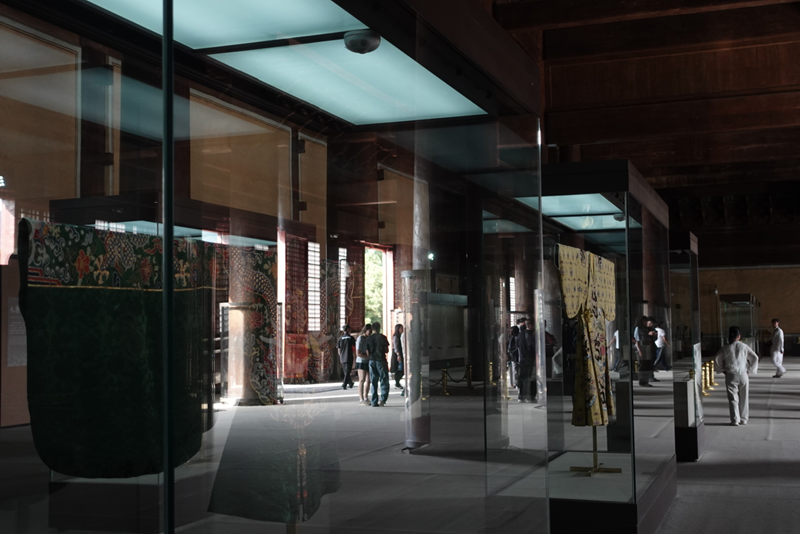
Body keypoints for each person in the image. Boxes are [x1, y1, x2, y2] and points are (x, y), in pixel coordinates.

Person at [714, 326, 759, 426]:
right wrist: (750, 370)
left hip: (730, 375)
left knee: (733, 398)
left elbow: (717, 359)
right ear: (739, 336)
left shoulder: (726, 347)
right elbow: (755, 357)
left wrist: (722, 370)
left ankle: (735, 420)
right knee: (744, 397)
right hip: (743, 374)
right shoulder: (744, 346)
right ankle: (744, 419)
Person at [366, 321, 390, 407]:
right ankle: (383, 400)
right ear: (379, 328)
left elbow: (367, 353)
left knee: (374, 381)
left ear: (372, 329)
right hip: (381, 360)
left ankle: (374, 401)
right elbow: (387, 350)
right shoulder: (383, 338)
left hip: (372, 361)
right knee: (384, 380)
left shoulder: (369, 338)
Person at [634, 316, 657, 386]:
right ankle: (642, 381)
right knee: (642, 365)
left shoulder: (646, 328)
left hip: (648, 347)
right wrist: (640, 350)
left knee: (647, 365)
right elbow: (637, 340)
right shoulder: (638, 329)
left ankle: (646, 381)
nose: (645, 322)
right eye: (644, 321)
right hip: (642, 347)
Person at [518, 317, 536, 402]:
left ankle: (521, 396)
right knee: (528, 378)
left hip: (521, 358)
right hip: (528, 358)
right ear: (531, 325)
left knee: (522, 377)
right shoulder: (529, 335)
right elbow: (531, 346)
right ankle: (528, 396)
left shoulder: (521, 334)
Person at [355, 324, 373, 405]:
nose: (370, 332)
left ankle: (366, 397)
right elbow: (358, 353)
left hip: (368, 361)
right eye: (369, 331)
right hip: (361, 361)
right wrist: (367, 356)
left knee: (368, 380)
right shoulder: (360, 338)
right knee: (362, 379)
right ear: (366, 330)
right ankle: (361, 399)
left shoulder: (369, 338)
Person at [337, 325, 356, 390]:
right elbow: (353, 349)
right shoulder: (351, 338)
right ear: (348, 329)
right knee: (347, 371)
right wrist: (354, 356)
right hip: (349, 356)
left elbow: (339, 350)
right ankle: (344, 384)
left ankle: (350, 383)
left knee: (346, 371)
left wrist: (340, 357)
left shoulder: (340, 339)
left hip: (342, 357)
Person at [391, 324, 404, 395]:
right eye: (401, 328)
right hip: (397, 354)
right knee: (399, 369)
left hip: (400, 353)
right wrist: (398, 355)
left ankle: (397, 382)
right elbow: (396, 346)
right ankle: (397, 382)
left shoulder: (401, 336)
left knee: (401, 369)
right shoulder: (396, 337)